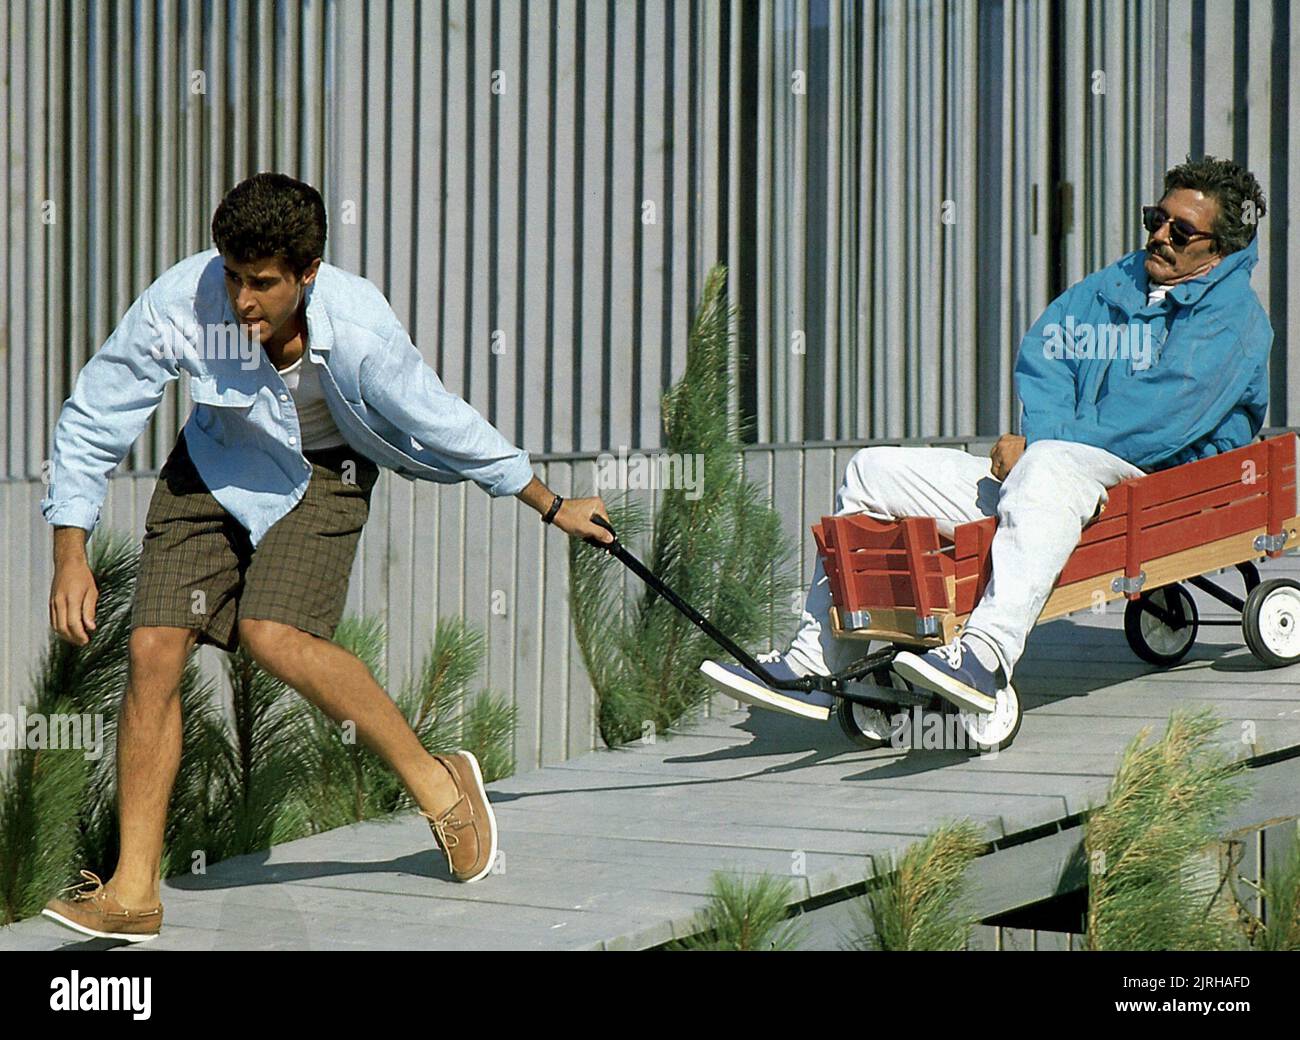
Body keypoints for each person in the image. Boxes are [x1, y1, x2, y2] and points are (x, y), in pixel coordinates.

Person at [39, 172, 613, 942]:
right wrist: (69, 550)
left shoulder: (360, 325)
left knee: (274, 633)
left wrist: (550, 503)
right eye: (234, 277)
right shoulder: (182, 302)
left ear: (307, 275)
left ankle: (439, 785)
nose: (243, 301)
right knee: (152, 646)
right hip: (217, 462)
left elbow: (443, 419)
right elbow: (97, 411)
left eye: (264, 284)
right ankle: (132, 890)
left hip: (328, 470)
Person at [703, 155, 1272, 736]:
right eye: (1156, 218)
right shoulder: (1121, 281)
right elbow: (1049, 351)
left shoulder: (1234, 320)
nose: (1158, 236)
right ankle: (816, 661)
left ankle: (985, 657)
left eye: (1180, 231)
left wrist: (1043, 444)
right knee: (871, 471)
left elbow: (1157, 418)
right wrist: (1042, 442)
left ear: (1219, 250)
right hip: (1055, 467)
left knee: (1048, 465)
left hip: (1153, 481)